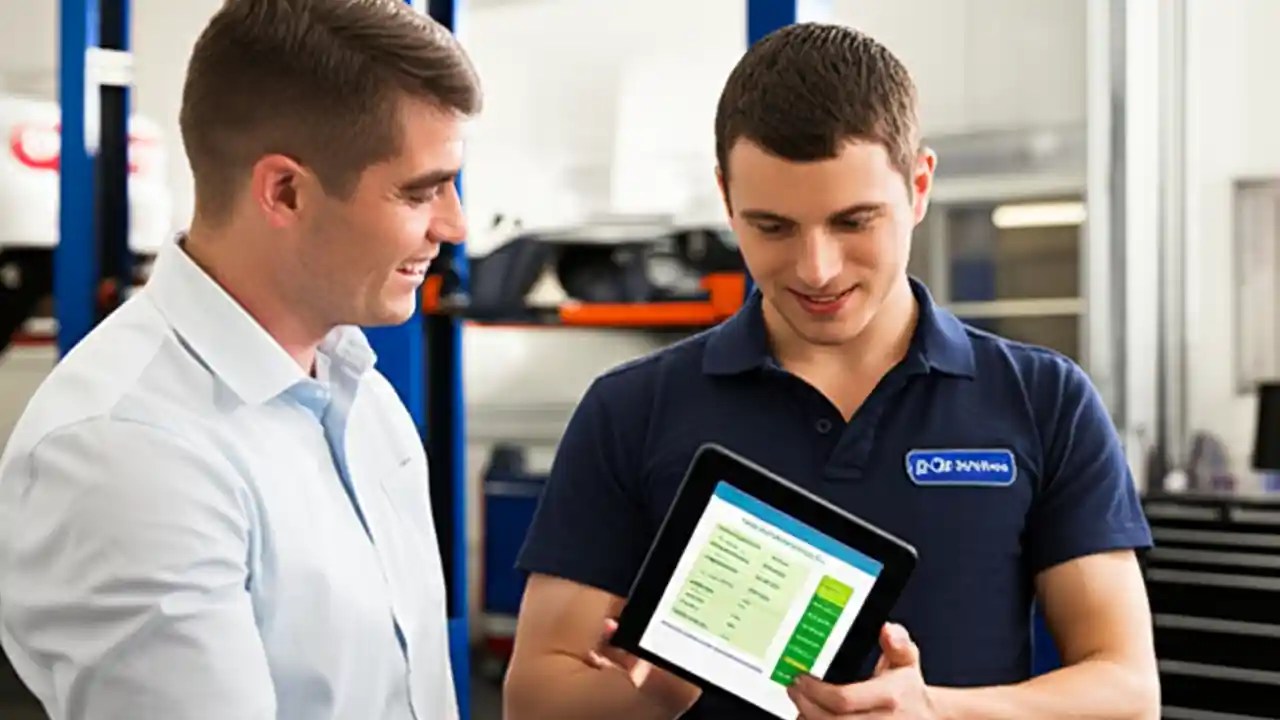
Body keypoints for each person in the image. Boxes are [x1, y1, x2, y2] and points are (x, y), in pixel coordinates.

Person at [504, 22, 1159, 720]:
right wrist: (661, 691)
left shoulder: (1043, 401)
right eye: (773, 227)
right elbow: (532, 697)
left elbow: (1127, 691)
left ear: (918, 185)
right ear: (727, 199)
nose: (817, 269)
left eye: (854, 222)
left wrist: (936, 713)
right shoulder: (631, 410)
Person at [0, 0, 480, 717]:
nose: (455, 225)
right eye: (420, 190)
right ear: (284, 190)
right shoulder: (126, 453)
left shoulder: (357, 392)